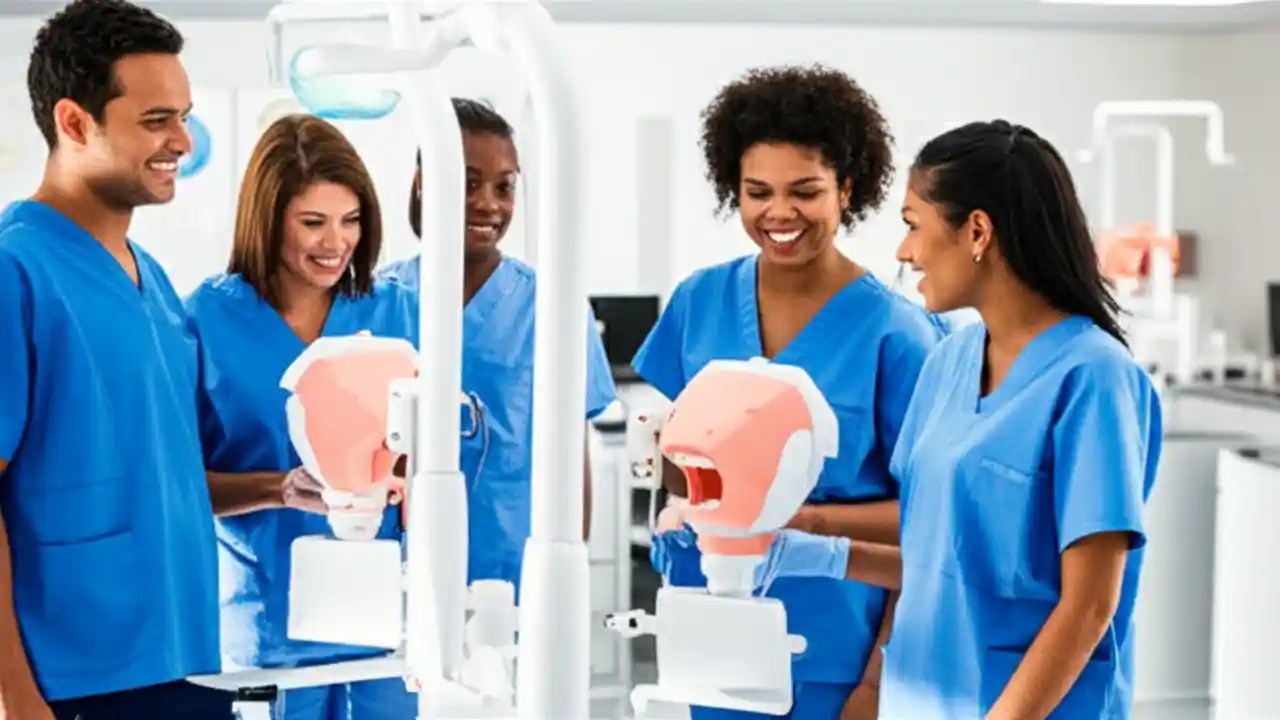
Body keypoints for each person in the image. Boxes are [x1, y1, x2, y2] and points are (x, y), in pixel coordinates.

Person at [753, 120, 1163, 720]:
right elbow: (939, 565)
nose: (903, 251)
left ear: (976, 231)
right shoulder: (950, 361)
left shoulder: (1093, 378)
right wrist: (818, 550)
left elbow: (1089, 607)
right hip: (920, 697)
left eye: (913, 225)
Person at [637, 65, 945, 719]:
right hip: (708, 632)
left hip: (834, 655)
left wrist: (874, 685)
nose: (779, 214)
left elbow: (931, 524)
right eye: (757, 192)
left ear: (847, 190)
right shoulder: (701, 300)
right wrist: (673, 505)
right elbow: (681, 460)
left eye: (804, 191)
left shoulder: (899, 334)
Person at [0, 1, 234, 718]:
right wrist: (16, 697)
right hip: (78, 679)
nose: (183, 143)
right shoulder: (17, 269)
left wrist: (283, 486)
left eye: (185, 116)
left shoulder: (153, 279)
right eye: (157, 121)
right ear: (75, 122)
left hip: (187, 655)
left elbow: (165, 477)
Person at [185, 114, 418, 720]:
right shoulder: (205, 320)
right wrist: (278, 490)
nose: (335, 242)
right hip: (266, 622)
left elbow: (434, 454)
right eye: (312, 222)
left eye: (351, 220)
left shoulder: (396, 312)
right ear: (268, 219)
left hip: (383, 618)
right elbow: (178, 484)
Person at [381, 98, 616, 590]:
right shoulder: (381, 300)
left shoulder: (552, 305)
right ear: (425, 181)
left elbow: (574, 459)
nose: (489, 202)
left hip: (514, 571)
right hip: (397, 568)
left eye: (504, 187)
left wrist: (565, 580)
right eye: (468, 183)